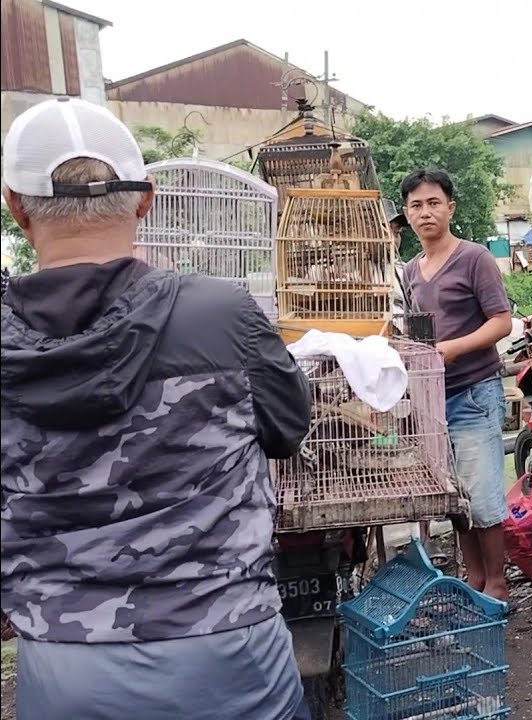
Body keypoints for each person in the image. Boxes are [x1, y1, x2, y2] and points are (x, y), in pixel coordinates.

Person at [0, 98, 312, 718]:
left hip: (63, 662)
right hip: (229, 649)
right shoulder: (222, 316)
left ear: (15, 205)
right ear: (146, 199)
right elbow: (287, 427)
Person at [399, 169, 513, 601]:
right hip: (434, 401)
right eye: (416, 205)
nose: (425, 212)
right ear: (407, 214)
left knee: (482, 497)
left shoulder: (475, 258)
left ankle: (497, 584)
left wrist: (452, 349)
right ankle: (474, 580)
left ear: (450, 207)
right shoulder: (411, 271)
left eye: (433, 203)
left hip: (475, 392)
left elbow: (501, 322)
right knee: (456, 498)